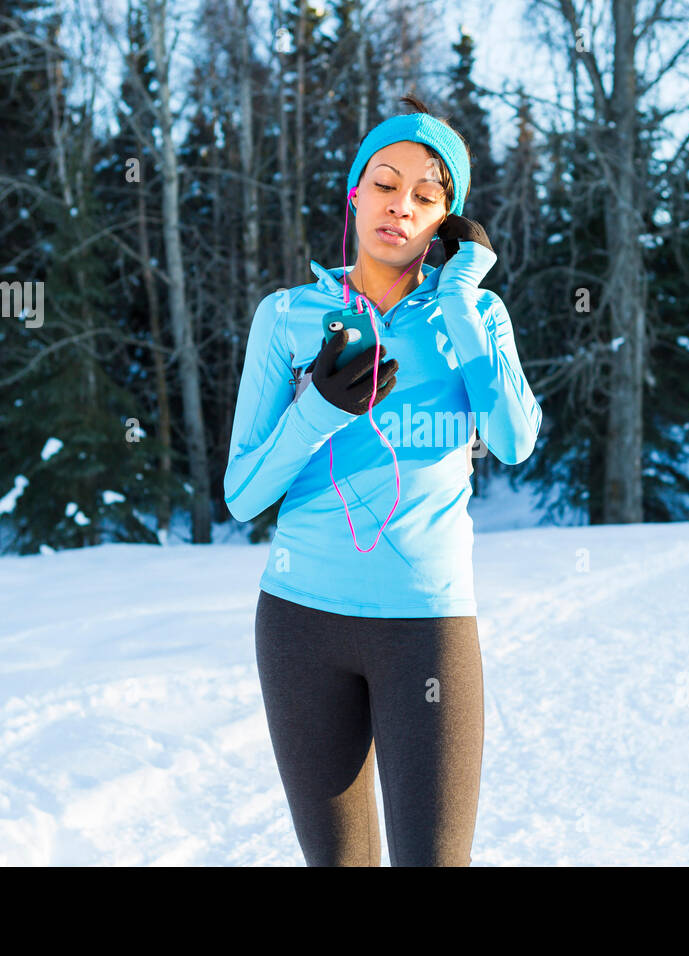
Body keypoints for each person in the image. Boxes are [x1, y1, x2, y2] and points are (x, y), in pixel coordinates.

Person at [223, 93, 542, 866]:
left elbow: (514, 440)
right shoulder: (289, 315)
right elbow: (242, 495)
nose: (400, 205)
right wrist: (318, 412)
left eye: (427, 196)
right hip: (300, 624)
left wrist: (463, 302)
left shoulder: (476, 314)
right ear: (355, 196)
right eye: (385, 182)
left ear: (448, 223)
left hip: (428, 629)